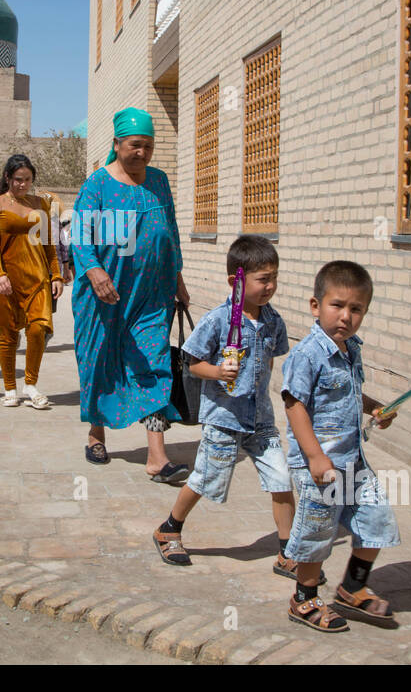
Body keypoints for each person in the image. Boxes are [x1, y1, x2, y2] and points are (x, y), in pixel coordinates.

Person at [152, 236, 295, 576]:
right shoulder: (218, 320)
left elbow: (271, 364)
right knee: (205, 480)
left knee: (282, 480)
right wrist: (217, 372)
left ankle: (288, 551)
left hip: (260, 421)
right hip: (224, 419)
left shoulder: (273, 321)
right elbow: (191, 363)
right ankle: (169, 529)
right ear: (236, 282)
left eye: (274, 278)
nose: (270, 286)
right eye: (263, 279)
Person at [72, 107, 191, 482]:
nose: (142, 153)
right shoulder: (97, 185)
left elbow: (169, 230)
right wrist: (94, 271)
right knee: (99, 360)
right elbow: (80, 236)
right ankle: (96, 433)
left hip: (151, 295)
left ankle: (157, 456)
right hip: (103, 294)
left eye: (149, 146)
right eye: (135, 145)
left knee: (153, 363)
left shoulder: (158, 181)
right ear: (117, 144)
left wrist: (177, 277)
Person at [279, 260, 398, 633]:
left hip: (353, 460)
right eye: (337, 305)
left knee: (376, 518)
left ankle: (351, 588)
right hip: (321, 462)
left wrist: (375, 407)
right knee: (318, 529)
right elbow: (294, 403)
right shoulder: (307, 354)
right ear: (316, 306)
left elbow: (349, 393)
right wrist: (315, 456)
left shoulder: (350, 349)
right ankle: (304, 598)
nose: (346, 316)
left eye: (356, 309)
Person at [0, 154, 63, 409]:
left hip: (37, 279)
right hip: (7, 280)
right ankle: (9, 387)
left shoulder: (41, 204)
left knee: (38, 330)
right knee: (9, 335)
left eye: (27, 180)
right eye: (17, 180)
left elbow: (49, 243)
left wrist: (56, 274)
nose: (22, 185)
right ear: (7, 178)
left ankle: (31, 384)